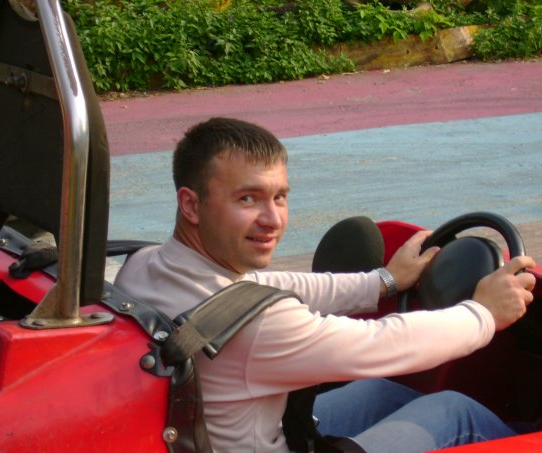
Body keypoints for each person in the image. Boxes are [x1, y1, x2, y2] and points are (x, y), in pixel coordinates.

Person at [115, 117, 536, 452]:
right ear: (191, 204)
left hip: (216, 436)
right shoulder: (260, 326)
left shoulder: (143, 265)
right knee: (455, 411)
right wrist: (483, 314)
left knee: (382, 393)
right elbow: (382, 343)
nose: (273, 219)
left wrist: (384, 282)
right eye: (248, 199)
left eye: (279, 197)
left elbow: (264, 284)